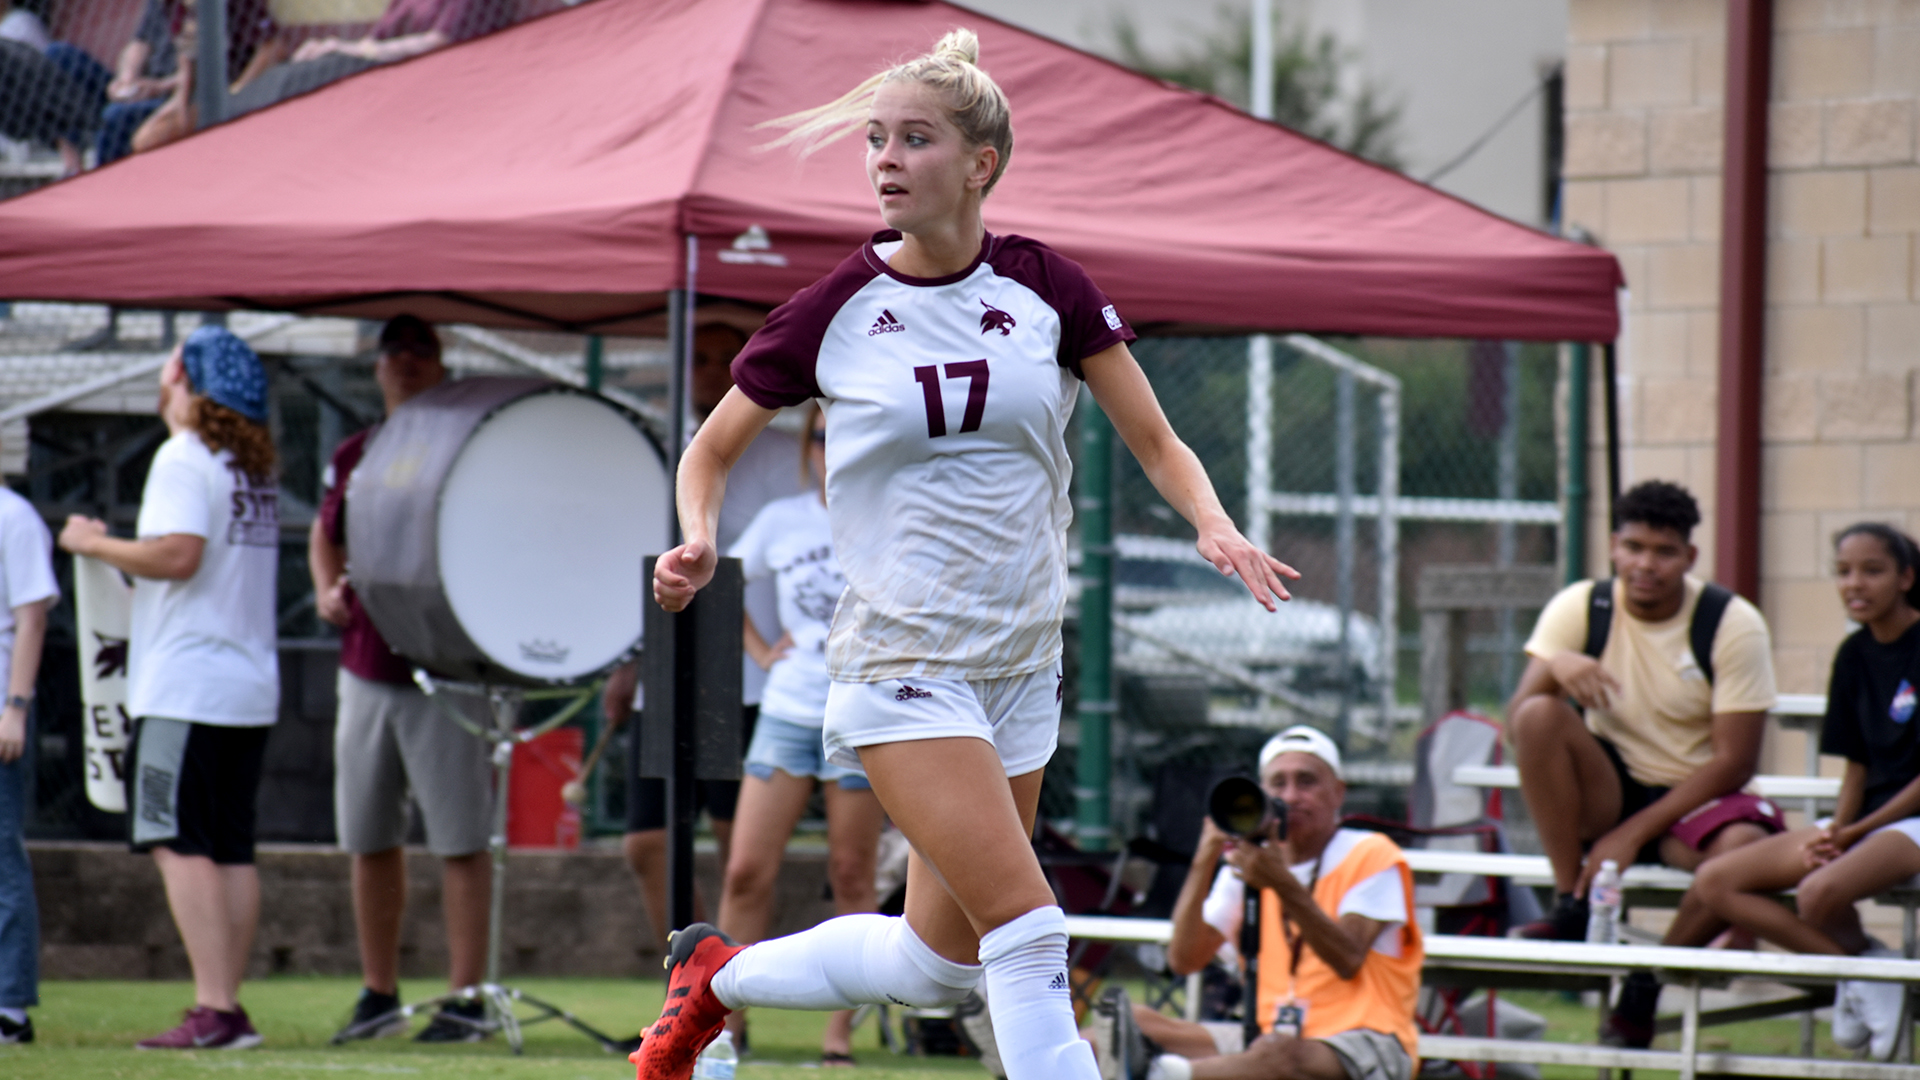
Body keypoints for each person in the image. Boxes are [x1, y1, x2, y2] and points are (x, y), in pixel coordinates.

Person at [635, 30, 1296, 1080]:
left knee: (938, 965)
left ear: (981, 163)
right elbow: (709, 452)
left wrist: (1211, 520)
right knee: (1030, 930)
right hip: (901, 658)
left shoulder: (1048, 286)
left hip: (1021, 663)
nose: (885, 159)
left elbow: (1158, 442)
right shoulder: (835, 309)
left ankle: (716, 978)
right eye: (875, 139)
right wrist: (700, 536)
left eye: (914, 139)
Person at [58, 326, 279, 1050]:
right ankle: (229, 1007)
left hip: (185, 687)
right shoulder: (250, 468)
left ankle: (214, 1007)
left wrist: (91, 543)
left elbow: (178, 556)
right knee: (231, 847)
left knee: (174, 838)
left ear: (182, 376)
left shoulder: (183, 455)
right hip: (248, 686)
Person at [1506, 479, 1780, 1045]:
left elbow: (1736, 761)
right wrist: (1557, 667)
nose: (1646, 564)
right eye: (1633, 547)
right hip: (1611, 788)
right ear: (1613, 546)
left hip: (1697, 797)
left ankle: (1649, 982)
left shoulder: (1731, 622)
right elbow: (1518, 725)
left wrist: (1631, 835)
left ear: (1690, 556)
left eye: (1664, 551)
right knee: (1538, 714)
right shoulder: (1583, 604)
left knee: (1743, 851)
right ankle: (1571, 904)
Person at [309, 315, 495, 1044]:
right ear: (378, 365)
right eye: (396, 350)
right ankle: (378, 993)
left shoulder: (466, 448)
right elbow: (325, 532)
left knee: (460, 838)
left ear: (442, 365)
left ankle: (466, 999)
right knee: (367, 836)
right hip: (365, 665)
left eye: (423, 350)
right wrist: (326, 588)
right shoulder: (354, 452)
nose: (408, 362)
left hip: (446, 668)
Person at [599, 321, 803, 969]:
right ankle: (692, 982)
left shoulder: (785, 454)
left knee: (736, 848)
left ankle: (730, 995)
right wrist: (630, 659)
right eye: (700, 359)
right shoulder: (661, 451)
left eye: (726, 358)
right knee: (647, 842)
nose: (712, 371)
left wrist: (779, 645)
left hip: (746, 677)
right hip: (666, 668)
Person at [1691, 523, 1920, 1062]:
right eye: (1843, 572)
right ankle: (1864, 972)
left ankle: (1864, 975)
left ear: (1906, 578)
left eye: (1872, 570)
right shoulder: (1853, 654)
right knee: (1716, 882)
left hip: (1909, 821)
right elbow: (1856, 768)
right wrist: (1836, 830)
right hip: (1867, 821)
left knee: (1816, 893)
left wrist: (1856, 833)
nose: (1854, 584)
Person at [1079, 728, 1420, 1080]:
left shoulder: (1371, 854)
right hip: (1269, 1038)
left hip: (1365, 1040)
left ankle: (1160, 1075)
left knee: (1279, 1052)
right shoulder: (1250, 862)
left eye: (1306, 782)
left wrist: (1281, 882)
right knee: (1139, 1022)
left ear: (1338, 792)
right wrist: (1206, 855)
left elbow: (1347, 958)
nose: (1291, 796)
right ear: (1262, 795)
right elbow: (1184, 960)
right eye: (1278, 784)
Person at [716, 403, 883, 1066]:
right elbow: (722, 581)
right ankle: (724, 1025)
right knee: (745, 872)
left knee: (852, 873)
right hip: (787, 711)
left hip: (863, 714)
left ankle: (838, 1035)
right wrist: (761, 652)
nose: (828, 450)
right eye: (818, 438)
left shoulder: (890, 516)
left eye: (841, 437)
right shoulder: (782, 519)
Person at [216, 0, 508, 124]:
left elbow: (441, 42)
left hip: (435, 83)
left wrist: (359, 51)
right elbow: (376, 40)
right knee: (297, 72)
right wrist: (339, 48)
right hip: (383, 75)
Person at [0, 448, 57, 1046]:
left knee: (2, 856)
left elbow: (31, 617)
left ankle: (9, 1004)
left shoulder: (13, 516)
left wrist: (15, 706)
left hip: (0, 708)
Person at [123, 0, 281, 158]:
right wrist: (179, 103)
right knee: (144, 140)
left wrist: (236, 91)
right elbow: (185, 53)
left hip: (245, 82)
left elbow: (273, 47)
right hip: (203, 94)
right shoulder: (170, 4)